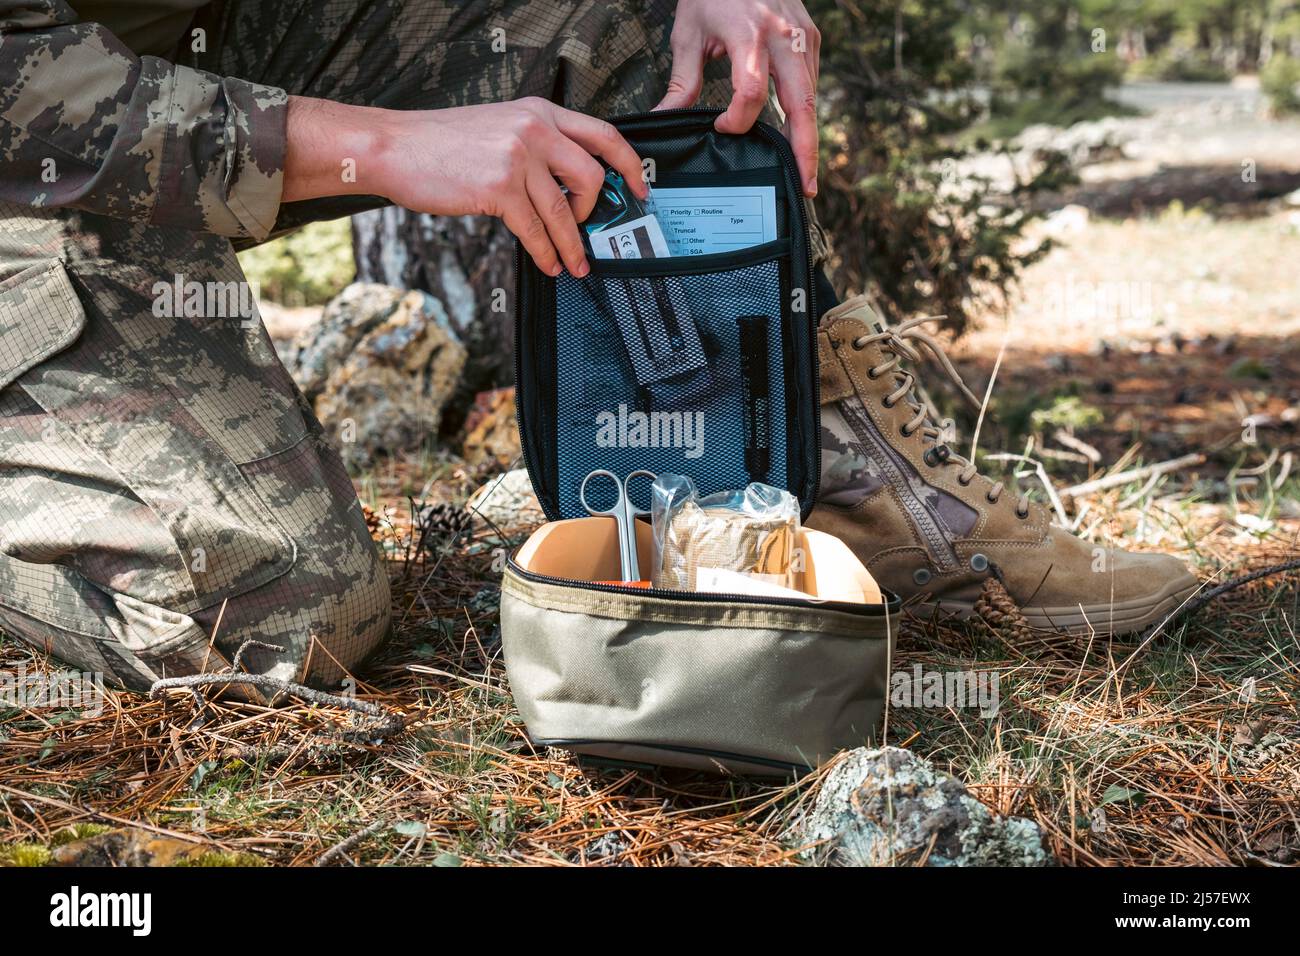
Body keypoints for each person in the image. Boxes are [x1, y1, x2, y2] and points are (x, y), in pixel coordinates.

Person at [0, 0, 1194, 693]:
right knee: (273, 609)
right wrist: (388, 147)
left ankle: (857, 487)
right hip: (31, 142)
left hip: (190, 41)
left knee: (636, 22)